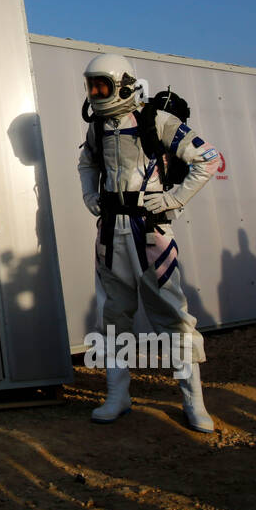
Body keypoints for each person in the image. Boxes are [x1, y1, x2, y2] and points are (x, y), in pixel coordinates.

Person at [76, 54, 221, 433]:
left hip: (150, 231)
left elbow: (208, 159)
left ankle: (193, 403)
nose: (95, 92)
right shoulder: (99, 126)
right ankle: (117, 395)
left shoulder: (156, 120)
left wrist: (174, 198)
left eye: (101, 85)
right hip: (110, 232)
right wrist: (90, 195)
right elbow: (87, 163)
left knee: (173, 318)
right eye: (91, 85)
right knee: (113, 317)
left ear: (122, 82)